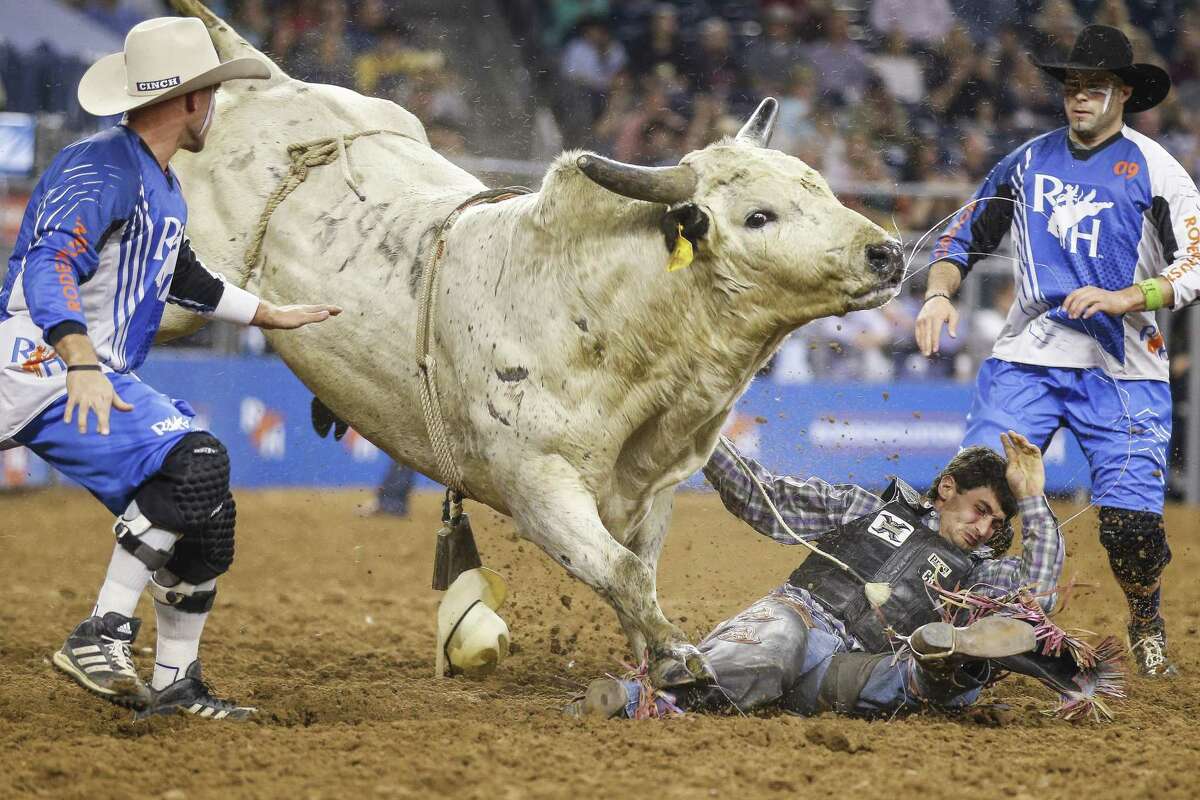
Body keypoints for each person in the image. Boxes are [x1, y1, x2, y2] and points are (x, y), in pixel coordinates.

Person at [0, 18, 341, 719]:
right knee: (196, 464)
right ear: (189, 101)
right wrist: (80, 358)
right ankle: (103, 632)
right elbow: (49, 263)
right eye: (210, 94)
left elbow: (178, 272)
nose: (214, 108)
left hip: (75, 370)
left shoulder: (154, 181)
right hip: (42, 364)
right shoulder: (100, 167)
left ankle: (175, 682)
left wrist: (264, 314)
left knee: (206, 508)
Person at [914, 26, 1194, 676]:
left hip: (1125, 369)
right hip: (1027, 362)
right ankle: (951, 624)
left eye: (1094, 86)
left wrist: (1129, 297)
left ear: (1124, 92)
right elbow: (963, 236)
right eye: (1071, 86)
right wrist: (936, 294)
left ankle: (1146, 612)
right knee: (973, 495)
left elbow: (1196, 262)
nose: (1079, 97)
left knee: (1130, 532)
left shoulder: (1158, 171)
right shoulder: (1026, 161)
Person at [568, 431, 1064, 719]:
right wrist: (704, 432)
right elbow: (766, 498)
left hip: (856, 669)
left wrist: (1034, 501)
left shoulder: (980, 576)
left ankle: (940, 658)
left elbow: (1038, 597)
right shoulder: (865, 508)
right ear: (947, 488)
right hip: (798, 617)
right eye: (979, 511)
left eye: (998, 524)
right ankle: (637, 700)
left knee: (936, 677)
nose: (984, 529)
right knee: (777, 650)